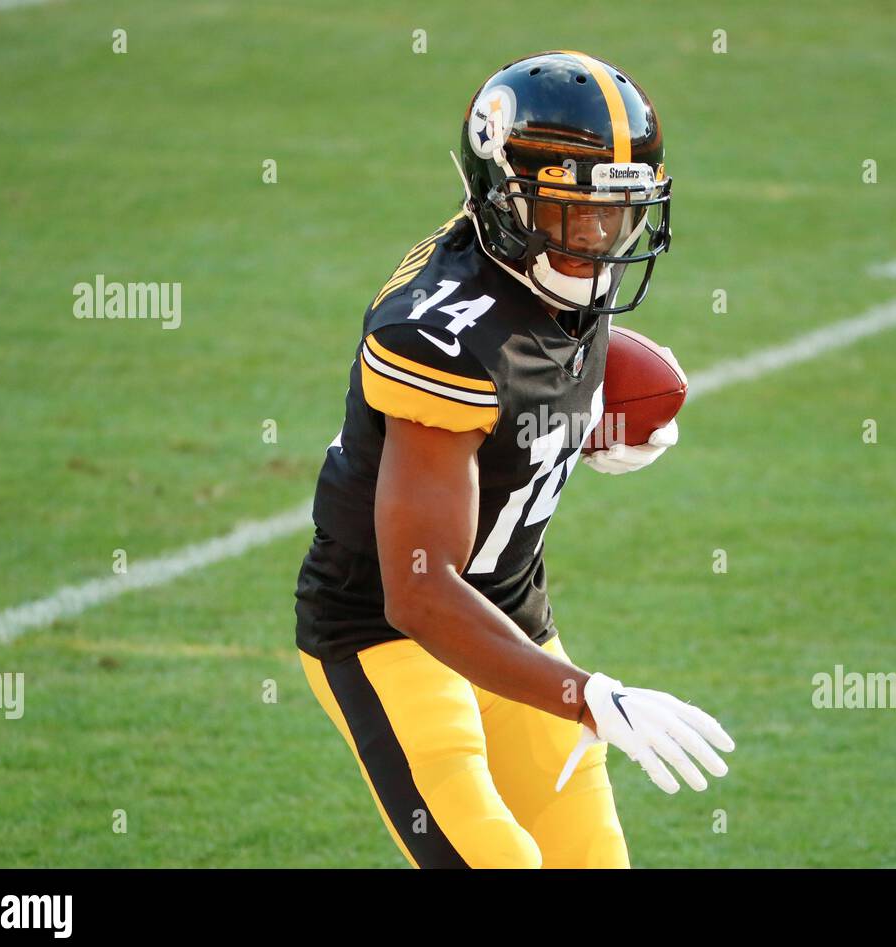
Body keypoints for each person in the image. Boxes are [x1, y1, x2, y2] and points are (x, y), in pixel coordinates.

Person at [294, 50, 734, 869]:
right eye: (576, 216)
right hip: (386, 627)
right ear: (507, 204)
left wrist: (583, 421)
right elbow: (420, 589)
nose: (602, 243)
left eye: (621, 213)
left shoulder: (547, 264)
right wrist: (590, 696)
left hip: (513, 613)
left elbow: (532, 369)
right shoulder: (440, 341)